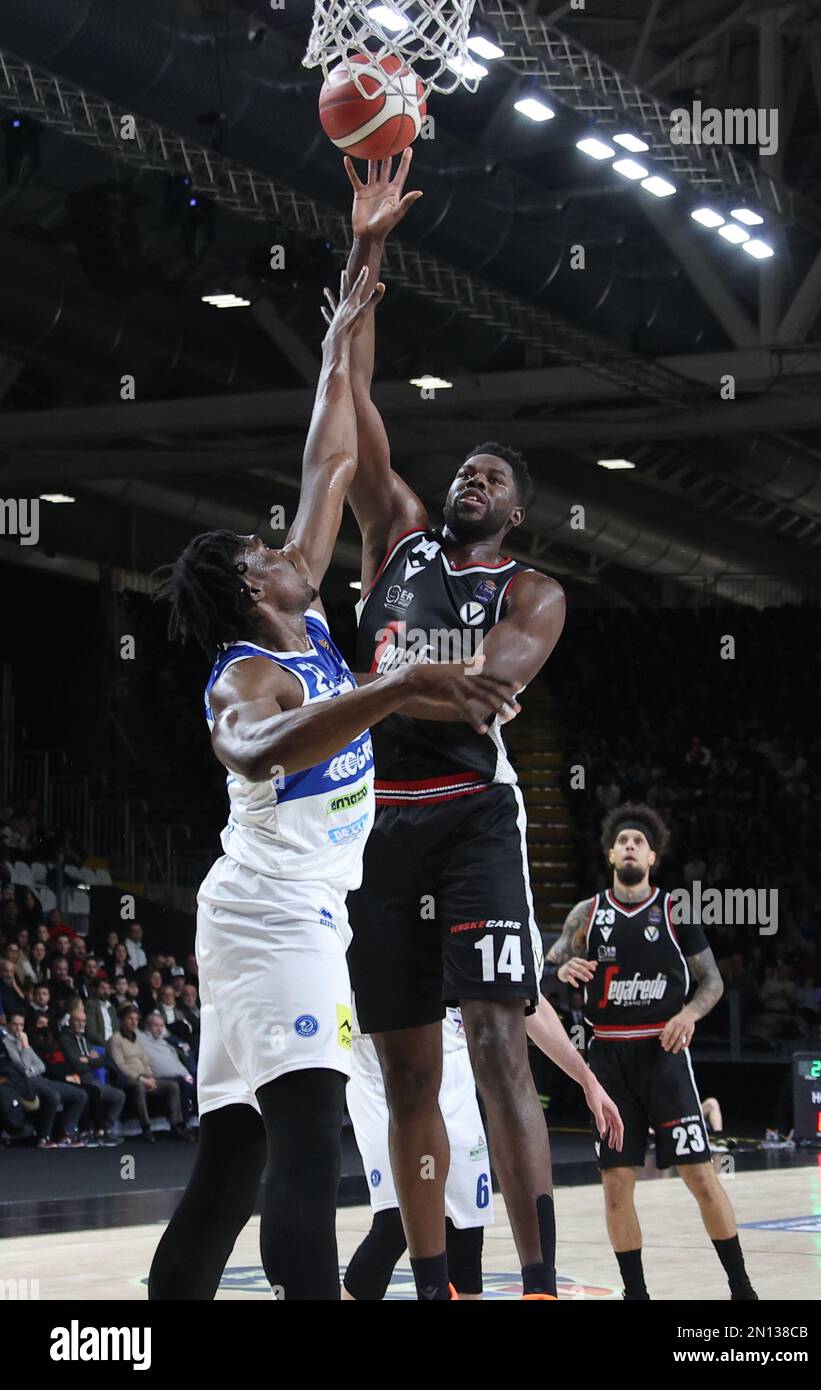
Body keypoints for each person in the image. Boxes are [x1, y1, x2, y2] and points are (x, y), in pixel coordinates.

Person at [146, 269, 519, 1303]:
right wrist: (395, 682)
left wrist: (344, 328)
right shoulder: (246, 670)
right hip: (272, 920)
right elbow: (257, 751)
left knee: (233, 1166)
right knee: (309, 1135)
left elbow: (334, 452)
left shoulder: (303, 613)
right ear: (251, 587)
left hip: (297, 914)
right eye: (267, 550)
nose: (287, 544)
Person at [341, 152, 567, 1299]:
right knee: (407, 1073)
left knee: (496, 1050)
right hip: (379, 824)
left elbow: (490, 686)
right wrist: (368, 248)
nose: (470, 479)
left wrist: (391, 675)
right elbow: (356, 405)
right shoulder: (399, 536)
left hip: (475, 815)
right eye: (466, 468)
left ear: (516, 511)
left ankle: (537, 1282)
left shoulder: (534, 589)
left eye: (492, 477)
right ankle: (438, 1287)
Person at [547, 803, 758, 1302]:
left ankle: (742, 1288)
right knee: (617, 1183)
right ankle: (635, 1293)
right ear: (608, 854)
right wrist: (558, 973)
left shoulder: (674, 911)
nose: (629, 847)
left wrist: (688, 1015)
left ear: (653, 857)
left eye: (638, 841)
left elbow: (712, 982)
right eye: (622, 841)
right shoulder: (586, 915)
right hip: (608, 1060)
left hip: (663, 1055)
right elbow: (545, 972)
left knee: (701, 1176)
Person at [343, 997, 622, 1300]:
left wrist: (586, 1079)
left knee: (466, 1229)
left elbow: (530, 1002)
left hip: (453, 1061)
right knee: (397, 1220)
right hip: (381, 1064)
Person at [1, 1011, 88, 1147]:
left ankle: (66, 1133)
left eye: (21, 1025)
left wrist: (28, 1057)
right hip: (24, 1083)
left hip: (40, 1079)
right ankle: (44, 1137)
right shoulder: (6, 1044)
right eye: (14, 1024)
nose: (18, 1028)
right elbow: (22, 1069)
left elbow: (41, 1066)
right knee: (53, 1096)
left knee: (80, 1095)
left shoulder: (25, 1041)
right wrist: (25, 1047)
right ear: (7, 1025)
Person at [109, 1004, 189, 1143]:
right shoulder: (116, 1039)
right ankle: (146, 1127)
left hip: (145, 1077)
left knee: (172, 1086)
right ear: (122, 1020)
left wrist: (150, 1076)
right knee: (139, 1087)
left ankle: (176, 1124)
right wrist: (141, 1078)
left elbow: (145, 1061)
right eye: (130, 1019)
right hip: (128, 1079)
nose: (134, 1022)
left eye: (136, 1019)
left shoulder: (137, 1038)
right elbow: (120, 1065)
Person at [59, 1005, 125, 1140]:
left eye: (83, 1021)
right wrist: (91, 1060)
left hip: (91, 1079)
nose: (80, 1024)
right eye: (77, 1020)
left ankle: (105, 1128)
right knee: (92, 1092)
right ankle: (93, 1130)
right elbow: (75, 1064)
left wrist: (87, 1060)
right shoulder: (65, 1040)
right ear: (70, 1021)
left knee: (119, 1096)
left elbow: (101, 1061)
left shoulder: (84, 1039)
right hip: (78, 1080)